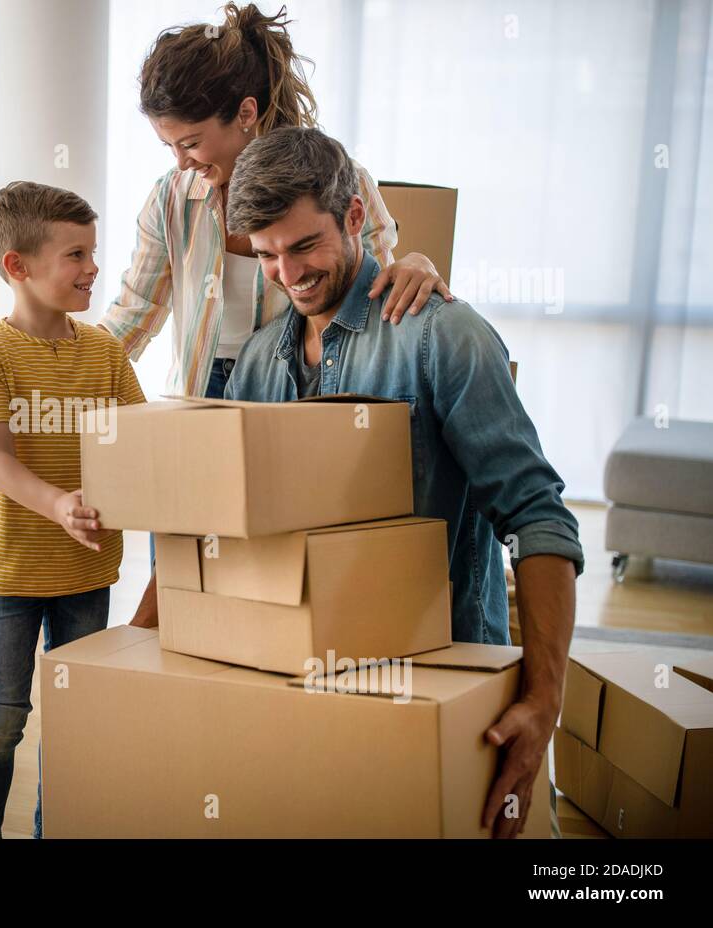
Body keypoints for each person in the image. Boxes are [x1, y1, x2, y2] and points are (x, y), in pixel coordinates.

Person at [222, 125, 583, 838]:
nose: (288, 276)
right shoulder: (261, 363)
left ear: (356, 217)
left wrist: (545, 703)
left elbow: (538, 517)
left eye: (304, 246)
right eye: (266, 256)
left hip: (445, 689)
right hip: (301, 687)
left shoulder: (443, 336)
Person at [99, 3, 454, 609]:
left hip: (300, 399)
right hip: (202, 401)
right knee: (187, 588)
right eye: (169, 145)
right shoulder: (173, 196)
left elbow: (374, 280)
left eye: (190, 142)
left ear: (245, 113)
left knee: (278, 588)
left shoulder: (332, 176)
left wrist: (416, 262)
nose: (181, 161)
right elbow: (134, 313)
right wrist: (48, 370)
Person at [0, 181, 145, 838]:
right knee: (0, 721)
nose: (93, 267)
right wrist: (59, 502)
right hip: (11, 572)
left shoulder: (104, 352)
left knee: (73, 724)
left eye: (92, 251)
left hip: (87, 570)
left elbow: (140, 439)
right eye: (75, 254)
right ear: (19, 266)